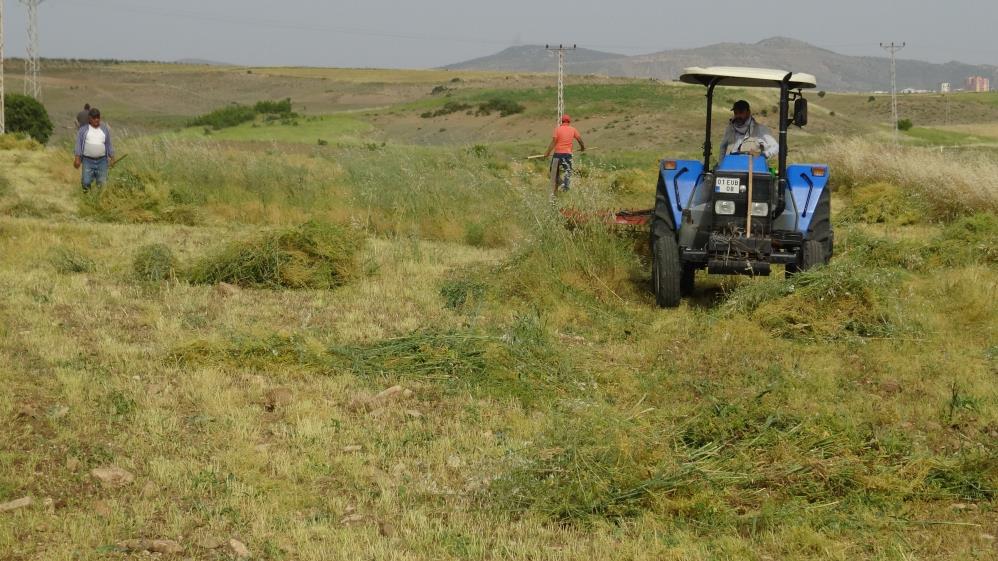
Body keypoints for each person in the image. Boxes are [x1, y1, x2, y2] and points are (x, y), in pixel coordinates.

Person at [73, 108, 116, 192]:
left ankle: (99, 200)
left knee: (102, 182)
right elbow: (78, 144)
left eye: (98, 117)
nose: (96, 119)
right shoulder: (83, 130)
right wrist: (77, 158)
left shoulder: (104, 130)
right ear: (89, 118)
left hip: (102, 161)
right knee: (86, 182)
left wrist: (112, 158)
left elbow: (108, 144)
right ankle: (87, 197)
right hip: (87, 161)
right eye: (94, 118)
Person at [543, 114, 585, 196]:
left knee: (553, 173)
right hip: (567, 154)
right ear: (569, 121)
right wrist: (582, 148)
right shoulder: (573, 129)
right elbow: (579, 140)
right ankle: (565, 187)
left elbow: (553, 142)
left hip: (557, 154)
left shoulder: (557, 129)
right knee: (568, 171)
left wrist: (547, 153)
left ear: (561, 121)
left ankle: (559, 185)